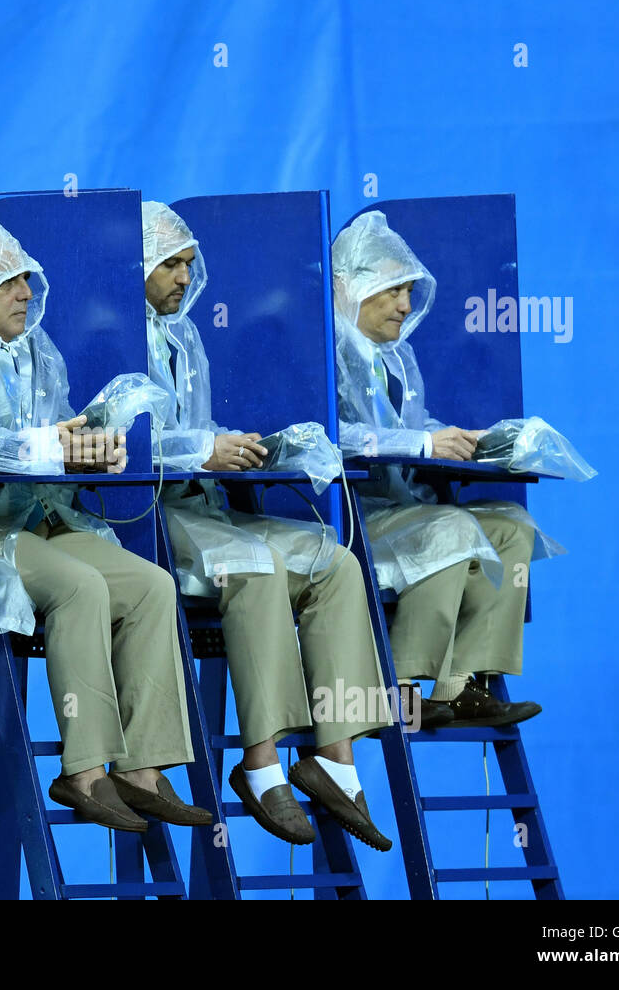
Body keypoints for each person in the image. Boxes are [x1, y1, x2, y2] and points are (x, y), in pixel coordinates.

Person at [0, 217, 208, 833]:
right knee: (81, 586)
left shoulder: (35, 346)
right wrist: (48, 448)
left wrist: (91, 447)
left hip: (47, 516)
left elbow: (57, 433)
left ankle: (142, 770)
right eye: (8, 282)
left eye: (27, 280)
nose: (26, 294)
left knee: (150, 587)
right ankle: (84, 770)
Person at [142, 201, 396, 851]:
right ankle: (261, 764)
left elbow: (192, 432)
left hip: (204, 505)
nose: (181, 277)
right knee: (253, 565)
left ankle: (334, 759)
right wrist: (203, 452)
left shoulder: (187, 337)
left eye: (188, 265)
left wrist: (252, 446)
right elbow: (120, 443)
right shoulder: (114, 334)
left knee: (332, 561)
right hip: (146, 515)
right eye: (168, 264)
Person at [332, 211, 557, 726]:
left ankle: (460, 684)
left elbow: (411, 423)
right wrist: (422, 442)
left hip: (406, 508)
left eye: (408, 291)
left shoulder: (397, 356)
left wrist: (466, 440)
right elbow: (332, 435)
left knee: (510, 527)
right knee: (451, 528)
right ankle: (406, 689)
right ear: (351, 287)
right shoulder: (326, 354)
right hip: (352, 516)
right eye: (392, 291)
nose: (405, 305)